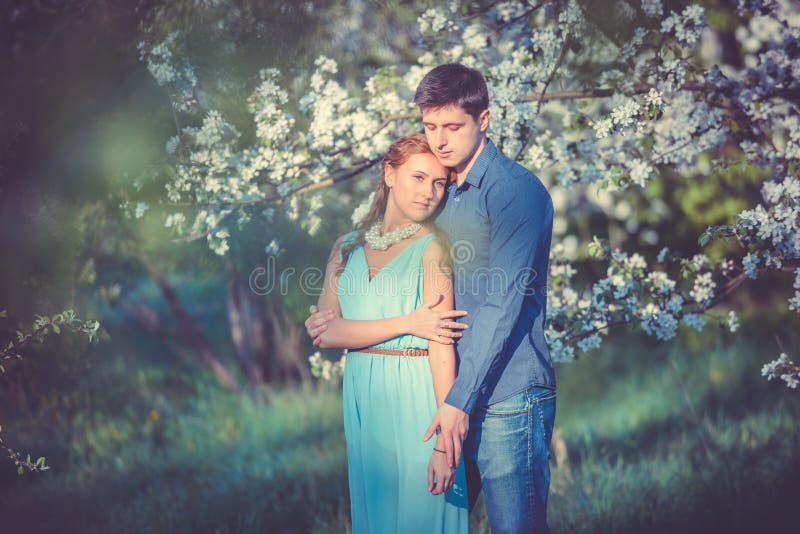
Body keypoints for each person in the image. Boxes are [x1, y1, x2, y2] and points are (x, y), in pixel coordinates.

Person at [308, 64, 557, 533]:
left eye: (453, 127)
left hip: (506, 396)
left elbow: (502, 308)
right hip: (447, 395)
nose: (440, 140)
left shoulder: (515, 193)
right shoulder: (447, 192)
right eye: (430, 126)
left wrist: (455, 406)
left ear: (483, 120)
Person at [308, 132, 470, 533]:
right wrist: (406, 323)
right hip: (363, 393)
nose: (429, 192)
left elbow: (440, 345)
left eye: (439, 183)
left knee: (421, 516)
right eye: (418, 178)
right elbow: (326, 335)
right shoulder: (345, 247)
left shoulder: (434, 248)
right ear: (389, 174)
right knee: (376, 519)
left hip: (415, 392)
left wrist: (443, 441)